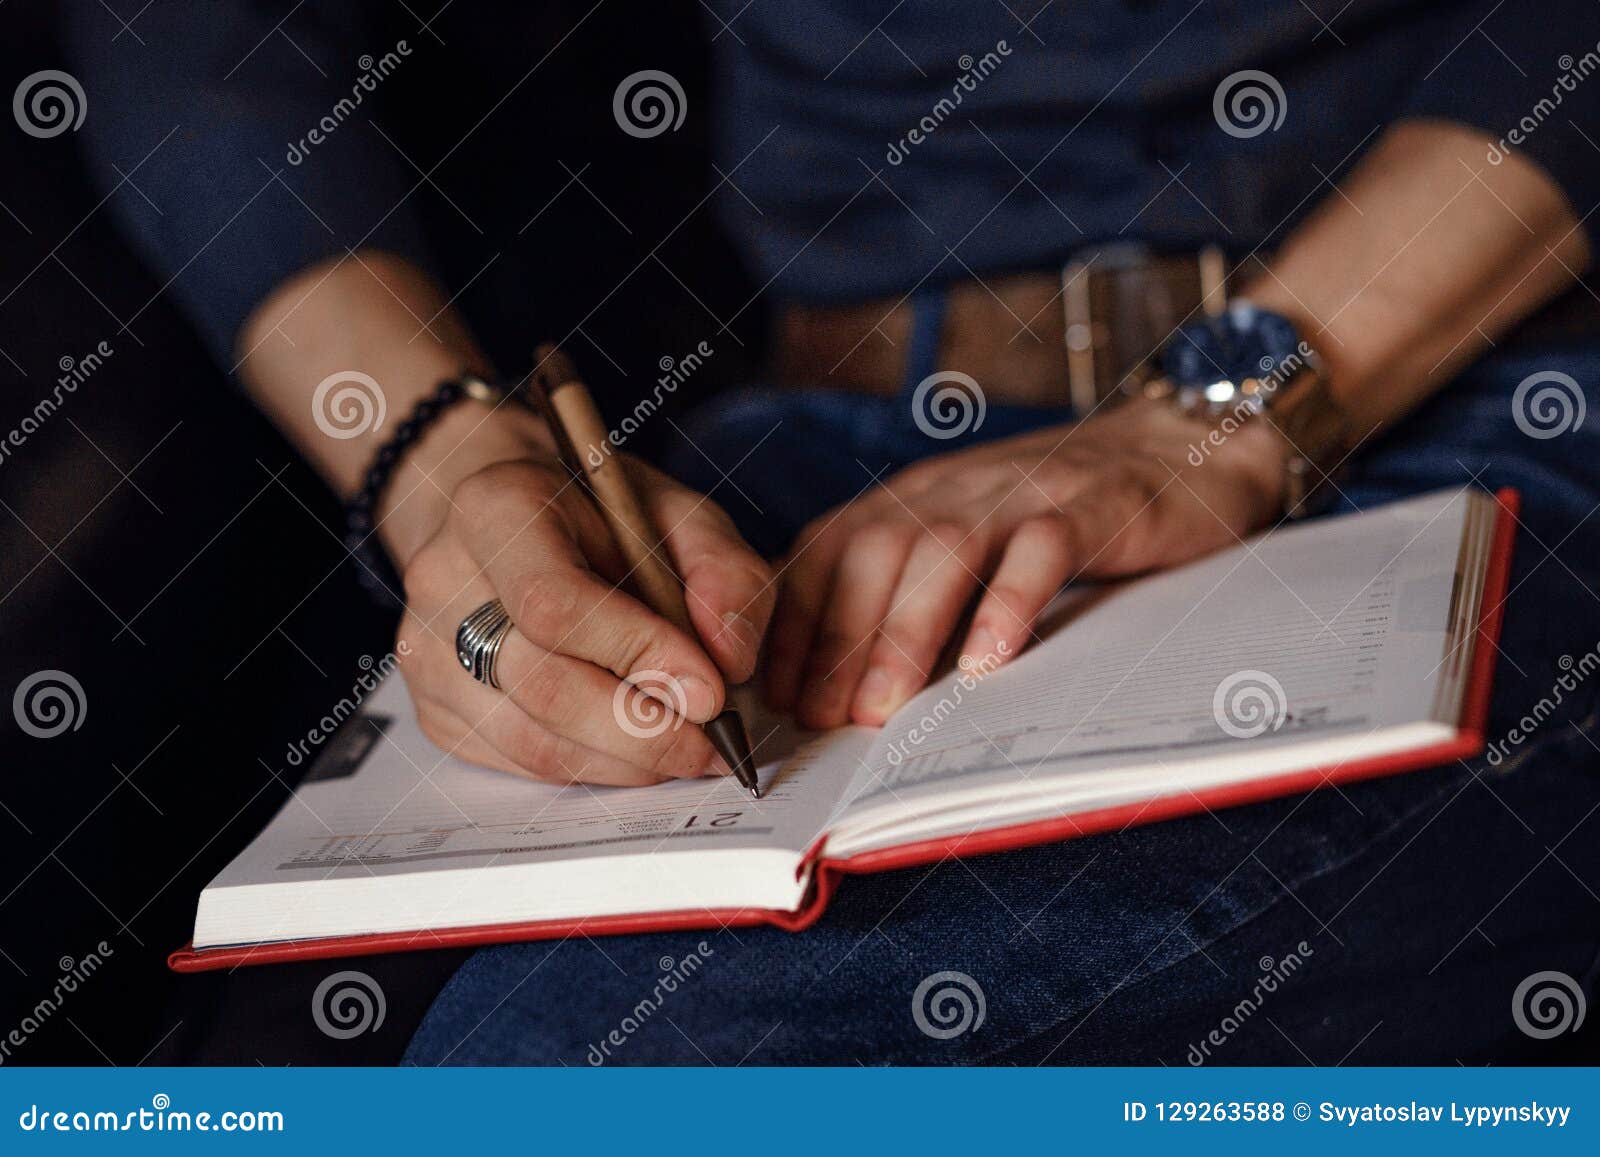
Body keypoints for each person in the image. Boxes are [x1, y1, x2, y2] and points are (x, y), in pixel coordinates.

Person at [68, 2, 1600, 1063]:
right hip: (821, 438)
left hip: (1452, 390)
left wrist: (1218, 411)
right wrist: (437, 461)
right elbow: (183, 37)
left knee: (605, 1068)